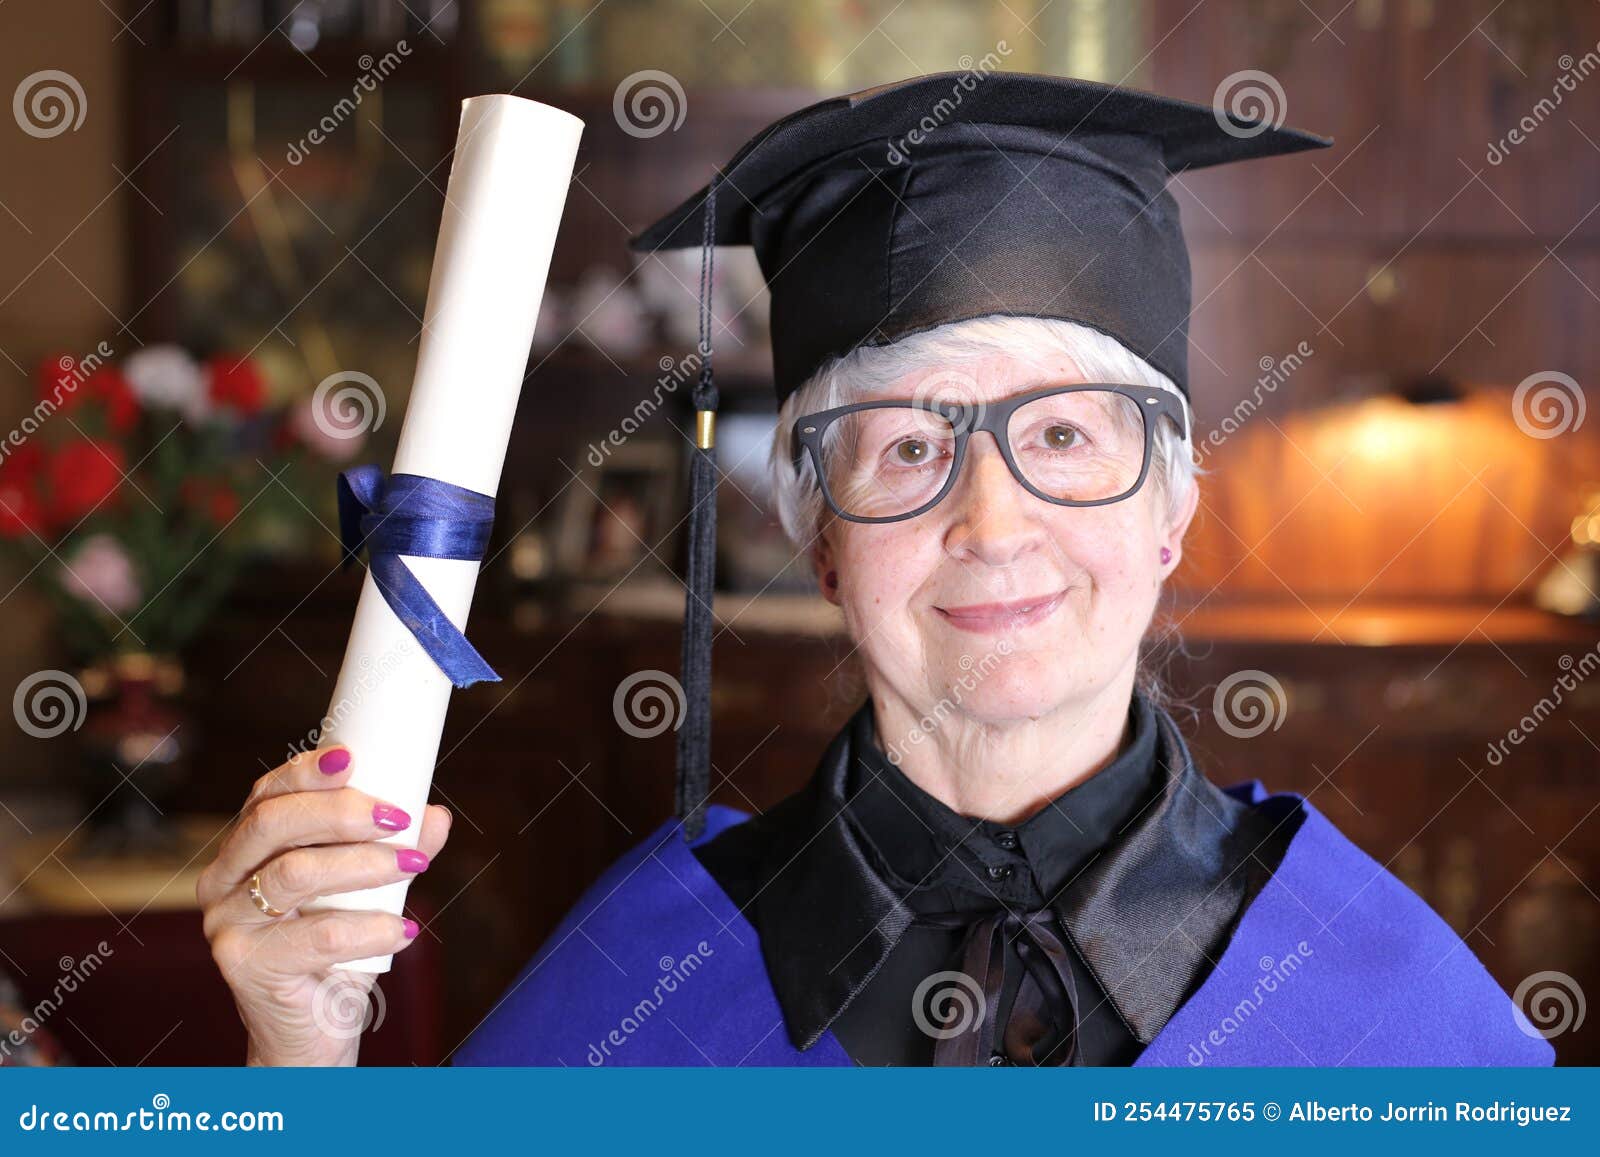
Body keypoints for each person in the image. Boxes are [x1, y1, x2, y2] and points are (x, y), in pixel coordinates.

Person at [199, 72, 1554, 1067]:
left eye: (1066, 434)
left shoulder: (1399, 1021)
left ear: (1174, 507)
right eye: (907, 447)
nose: (990, 517)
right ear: (816, 532)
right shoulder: (643, 983)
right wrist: (298, 1052)